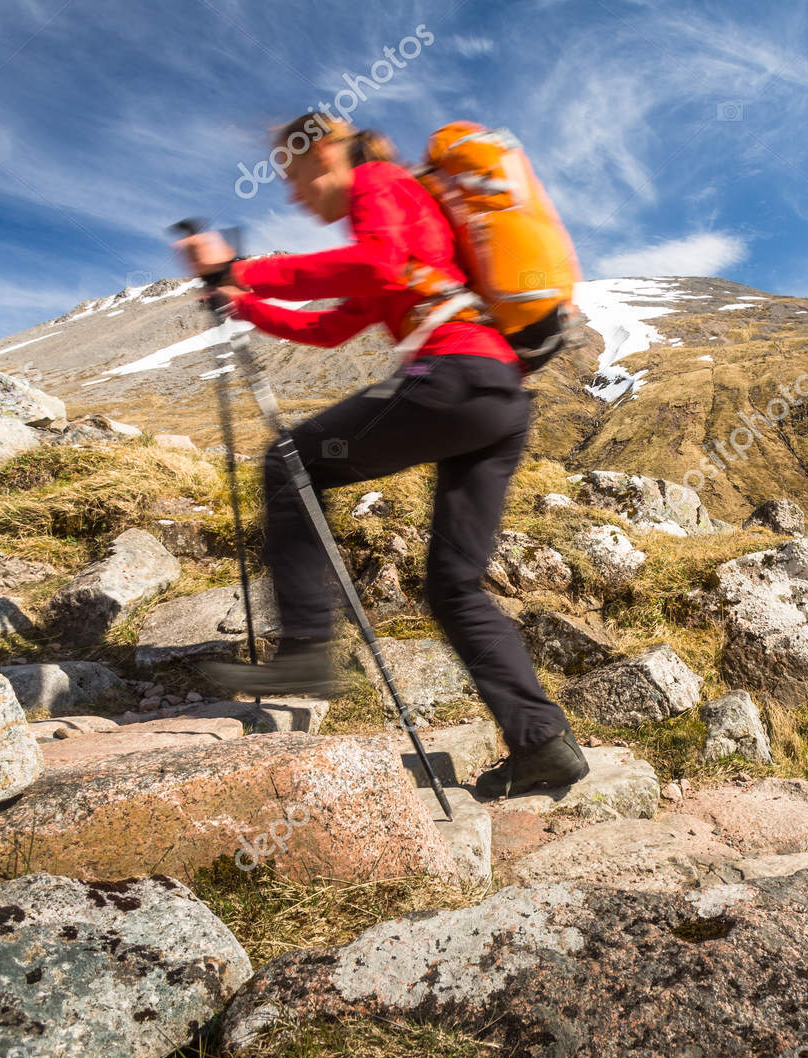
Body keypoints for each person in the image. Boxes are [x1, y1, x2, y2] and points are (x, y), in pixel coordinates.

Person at [172, 114, 587, 797]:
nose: (293, 196)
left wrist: (238, 267)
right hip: (497, 397)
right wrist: (246, 303)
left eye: (294, 175)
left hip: (452, 378)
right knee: (455, 584)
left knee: (290, 464)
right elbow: (335, 326)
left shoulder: (378, 182)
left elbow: (374, 264)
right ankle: (543, 744)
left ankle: (305, 649)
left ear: (327, 151)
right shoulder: (406, 215)